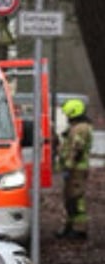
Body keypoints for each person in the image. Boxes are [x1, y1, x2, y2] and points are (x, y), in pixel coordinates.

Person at [55, 98, 93, 240]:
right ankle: (70, 227)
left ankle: (79, 230)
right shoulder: (78, 127)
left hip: (76, 170)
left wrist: (69, 166)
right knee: (70, 198)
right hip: (74, 169)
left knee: (76, 198)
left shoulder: (80, 129)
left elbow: (76, 149)